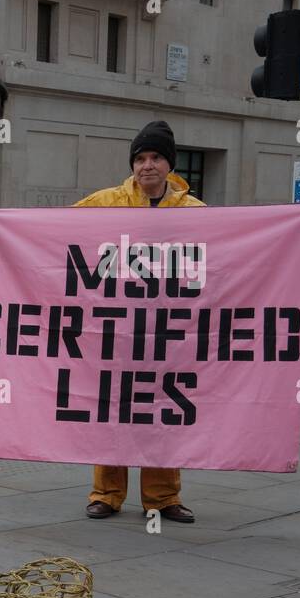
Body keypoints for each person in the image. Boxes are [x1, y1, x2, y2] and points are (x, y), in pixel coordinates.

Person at [76, 120, 202, 525]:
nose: (148, 165)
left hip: (167, 333)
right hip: (116, 330)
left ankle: (163, 498)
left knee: (162, 411)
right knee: (113, 409)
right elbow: (53, 232)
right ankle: (106, 493)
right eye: (141, 158)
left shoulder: (194, 211)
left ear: (170, 165)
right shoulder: (104, 202)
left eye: (157, 157)